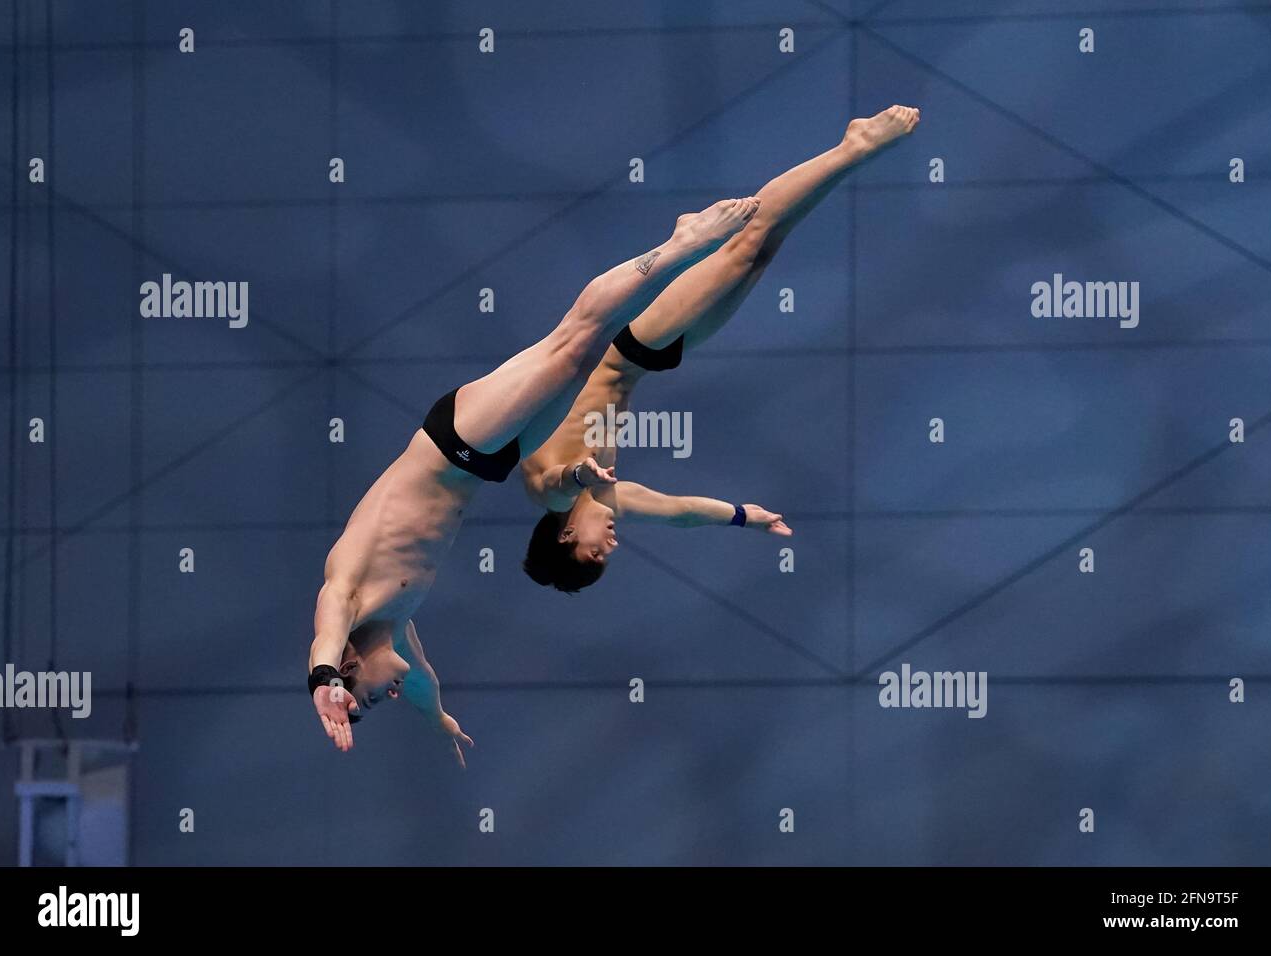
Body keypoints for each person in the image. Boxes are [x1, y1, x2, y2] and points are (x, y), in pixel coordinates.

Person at [307, 197, 761, 756]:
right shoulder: (395, 626)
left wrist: (322, 681)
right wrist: (440, 721)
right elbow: (422, 684)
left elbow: (328, 618)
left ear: (351, 665)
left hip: (457, 441)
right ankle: (679, 246)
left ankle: (683, 243)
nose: (390, 695)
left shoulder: (352, 597)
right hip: (486, 460)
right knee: (586, 350)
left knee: (574, 341)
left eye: (374, 697)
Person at [520, 106, 921, 592]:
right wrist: (742, 517)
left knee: (745, 239)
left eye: (596, 551)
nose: (613, 544)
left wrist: (578, 474)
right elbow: (680, 513)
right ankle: (697, 233)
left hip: (627, 344)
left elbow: (556, 481)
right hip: (652, 357)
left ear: (565, 536)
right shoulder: (613, 499)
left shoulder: (554, 500)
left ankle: (854, 146)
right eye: (608, 555)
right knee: (760, 254)